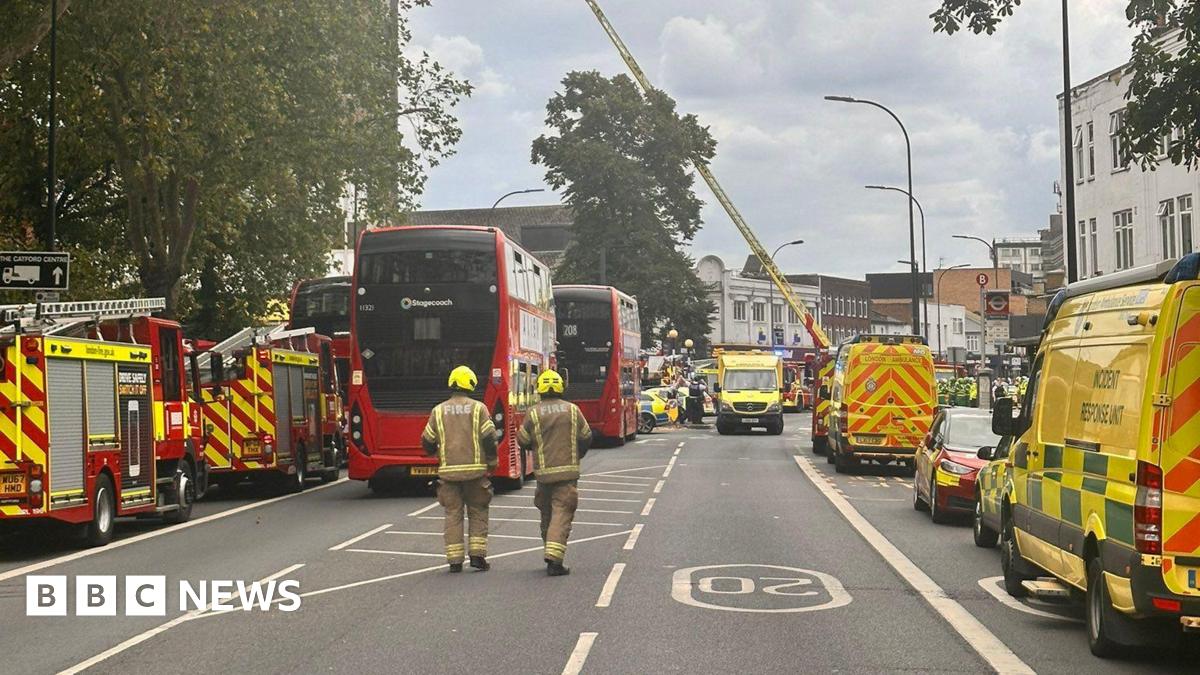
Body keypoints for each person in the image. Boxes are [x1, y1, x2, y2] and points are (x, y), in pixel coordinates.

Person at [421, 365, 498, 573]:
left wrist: (435, 453)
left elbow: (427, 441)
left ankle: (454, 561)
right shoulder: (478, 408)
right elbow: (490, 438)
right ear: (470, 384)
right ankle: (477, 556)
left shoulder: (438, 411)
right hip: (475, 473)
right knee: (478, 511)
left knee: (452, 514)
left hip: (449, 474)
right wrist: (491, 460)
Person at [517, 370, 593, 576]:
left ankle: (549, 551)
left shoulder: (533, 412)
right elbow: (586, 436)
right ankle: (555, 559)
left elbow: (522, 440)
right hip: (567, 473)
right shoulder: (573, 410)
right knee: (562, 513)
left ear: (539, 389)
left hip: (543, 474)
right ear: (560, 387)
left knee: (547, 514)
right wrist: (578, 455)